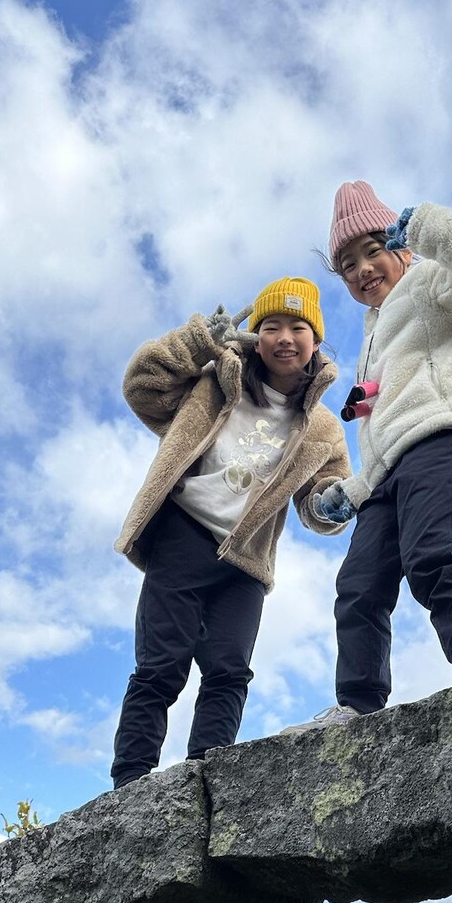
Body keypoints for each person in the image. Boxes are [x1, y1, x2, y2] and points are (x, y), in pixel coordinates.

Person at [294, 181, 452, 731]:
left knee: (431, 556)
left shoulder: (432, 284)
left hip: (446, 440)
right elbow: (379, 435)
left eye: (374, 250)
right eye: (347, 264)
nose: (362, 269)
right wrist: (350, 493)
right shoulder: (373, 335)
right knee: (358, 588)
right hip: (391, 471)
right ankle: (357, 705)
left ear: (402, 247)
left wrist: (423, 224)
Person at [111, 277, 351, 787]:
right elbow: (142, 386)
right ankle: (129, 784)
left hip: (245, 559)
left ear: (316, 340)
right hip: (183, 533)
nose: (284, 337)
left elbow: (320, 498)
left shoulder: (325, 428)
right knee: (161, 666)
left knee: (229, 670)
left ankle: (207, 778)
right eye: (270, 326)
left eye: (298, 326)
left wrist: (332, 505)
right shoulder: (217, 377)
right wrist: (199, 342)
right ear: (256, 335)